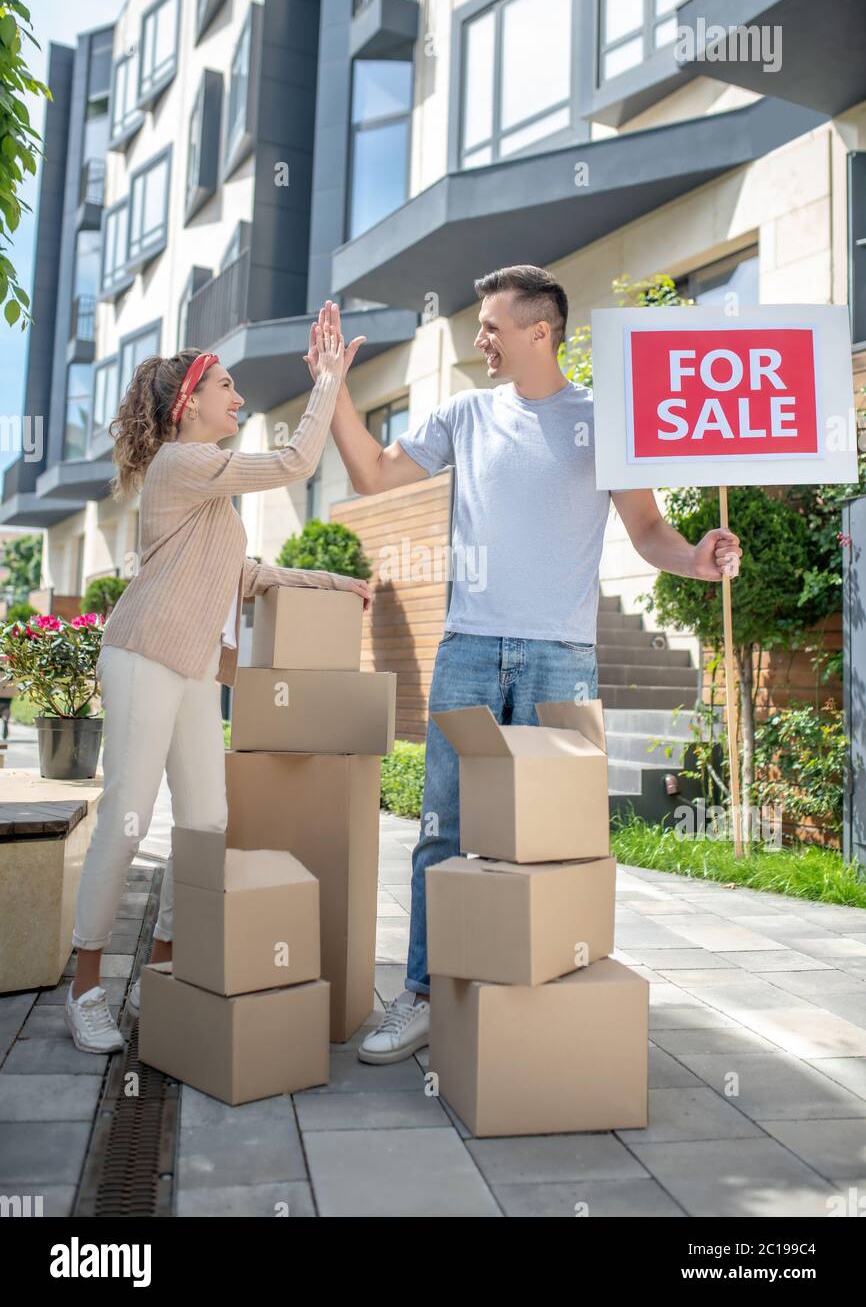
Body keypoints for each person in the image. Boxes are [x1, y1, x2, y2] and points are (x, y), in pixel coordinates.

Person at [327, 267, 743, 1065]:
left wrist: (698, 557)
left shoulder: (603, 418)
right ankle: (421, 992)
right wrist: (334, 387)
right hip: (470, 652)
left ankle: (542, 999)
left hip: (561, 660)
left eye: (490, 326)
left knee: (555, 841)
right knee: (442, 833)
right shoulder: (465, 414)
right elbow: (372, 475)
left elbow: (651, 532)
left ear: (539, 331)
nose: (478, 339)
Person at [66, 307, 373, 1054]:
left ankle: (164, 968)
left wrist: (332, 581)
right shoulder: (180, 464)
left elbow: (243, 574)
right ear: (189, 404)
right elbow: (297, 462)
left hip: (197, 666)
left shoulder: (210, 490)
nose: (238, 399)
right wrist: (328, 380)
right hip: (144, 655)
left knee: (206, 822)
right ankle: (86, 988)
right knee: (129, 818)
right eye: (228, 387)